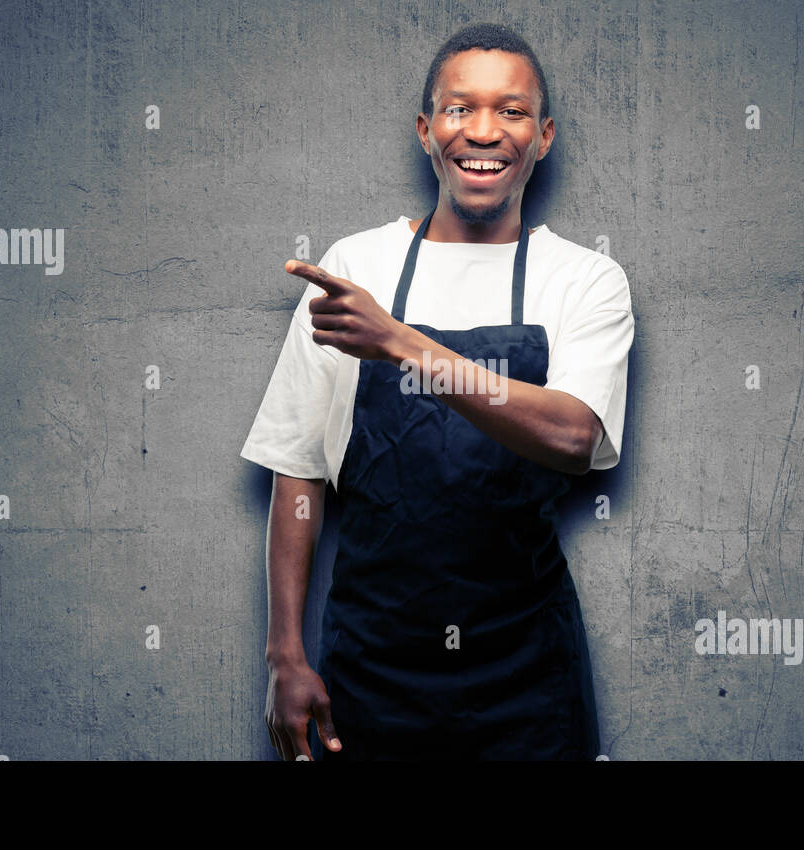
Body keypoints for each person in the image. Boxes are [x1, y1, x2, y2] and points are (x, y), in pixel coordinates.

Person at [240, 22, 633, 760]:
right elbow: (295, 467)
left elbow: (574, 437)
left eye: (511, 111)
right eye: (460, 108)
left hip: (525, 673)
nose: (484, 131)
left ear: (543, 137)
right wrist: (285, 657)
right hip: (369, 666)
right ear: (427, 129)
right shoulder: (356, 264)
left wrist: (399, 341)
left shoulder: (584, 279)